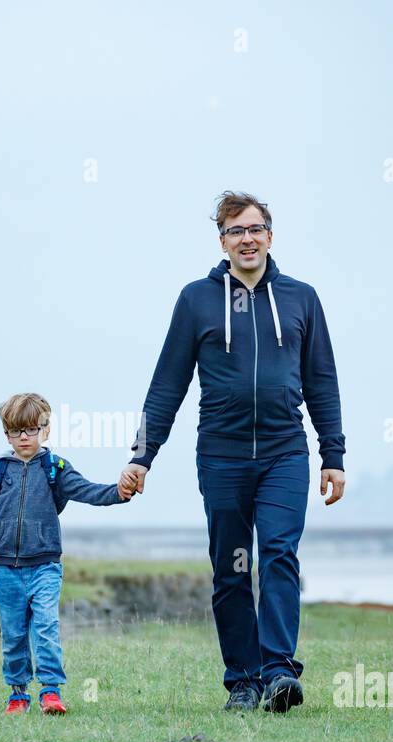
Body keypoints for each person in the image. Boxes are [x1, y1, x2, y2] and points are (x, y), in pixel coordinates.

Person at [118, 192, 347, 713]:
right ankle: (243, 681)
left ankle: (279, 673)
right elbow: (167, 385)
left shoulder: (300, 298)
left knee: (279, 554)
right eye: (235, 230)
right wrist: (141, 456)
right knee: (232, 567)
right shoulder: (196, 299)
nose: (247, 238)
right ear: (222, 240)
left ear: (270, 234)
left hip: (285, 453)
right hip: (221, 457)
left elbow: (322, 382)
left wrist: (332, 454)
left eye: (255, 228)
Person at [0, 393, 132, 715]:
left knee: (45, 627)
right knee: (14, 634)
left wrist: (118, 492)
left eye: (31, 430)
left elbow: (86, 490)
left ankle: (50, 691)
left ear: (46, 430)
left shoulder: (55, 468)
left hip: (45, 565)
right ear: (6, 434)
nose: (24, 437)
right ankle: (18, 695)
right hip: (6, 569)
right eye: (16, 431)